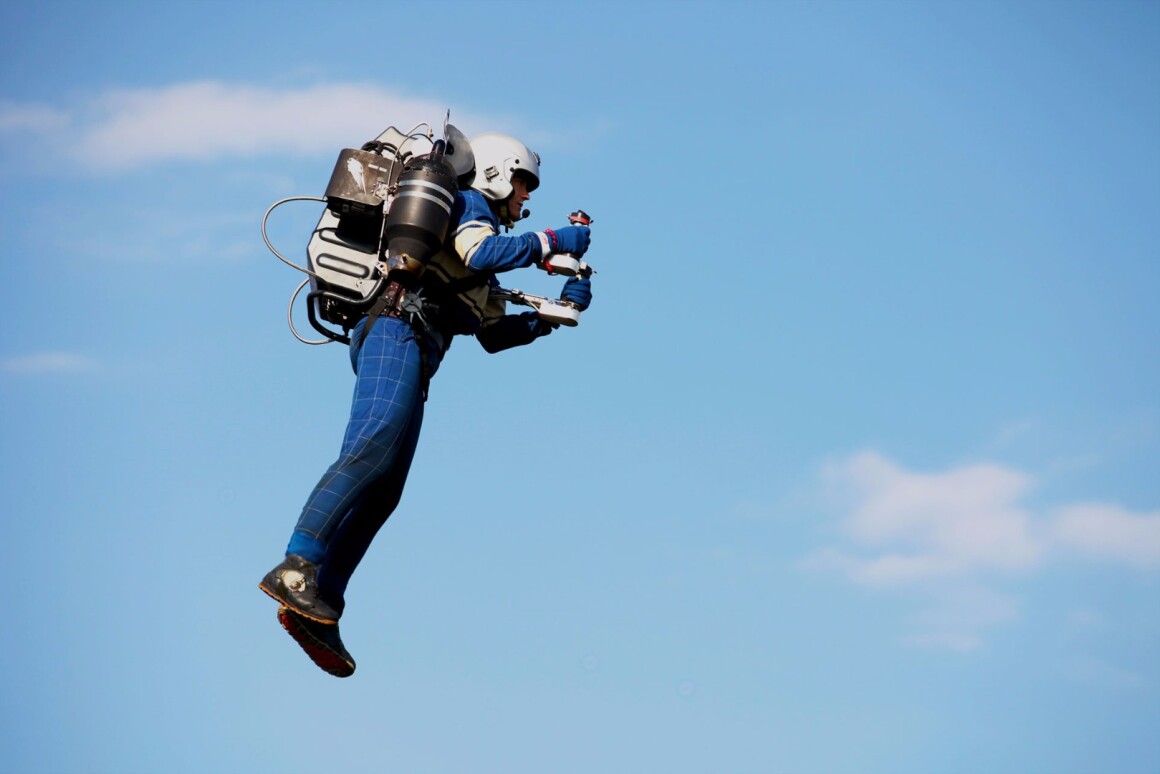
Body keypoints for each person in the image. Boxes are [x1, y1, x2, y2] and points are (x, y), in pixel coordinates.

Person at [259, 132, 593, 677]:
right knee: (372, 447)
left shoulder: (474, 234)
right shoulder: (469, 206)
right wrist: (552, 239)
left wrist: (556, 316)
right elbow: (482, 250)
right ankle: (297, 567)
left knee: (385, 488)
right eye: (521, 183)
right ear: (494, 171)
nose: (524, 198)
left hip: (416, 342)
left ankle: (323, 609)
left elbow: (490, 333)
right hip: (395, 328)